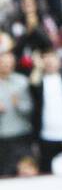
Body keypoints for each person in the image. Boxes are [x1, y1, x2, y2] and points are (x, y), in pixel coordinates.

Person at [29, 47, 62, 172]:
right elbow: (33, 85)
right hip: (46, 134)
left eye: (52, 58)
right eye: (46, 58)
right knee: (47, 169)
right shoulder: (40, 80)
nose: (49, 62)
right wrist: (37, 66)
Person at [0, 48, 33, 177]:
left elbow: (30, 109)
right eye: (3, 63)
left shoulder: (21, 81)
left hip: (20, 134)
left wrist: (18, 104)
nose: (6, 66)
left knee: (23, 170)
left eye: (9, 64)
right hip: (2, 137)